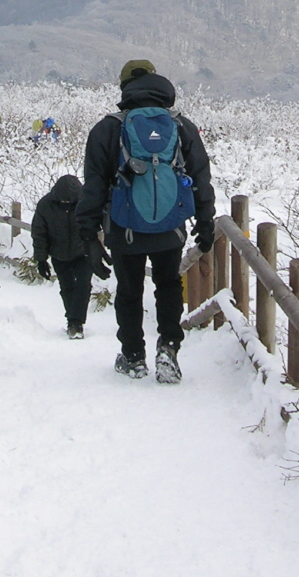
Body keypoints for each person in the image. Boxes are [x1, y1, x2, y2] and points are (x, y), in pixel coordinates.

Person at [76, 59, 215, 384]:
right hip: (170, 227)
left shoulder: (108, 128)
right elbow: (200, 177)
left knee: (129, 291)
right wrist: (205, 220)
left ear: (125, 86)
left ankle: (133, 357)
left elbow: (93, 187)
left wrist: (88, 235)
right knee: (168, 286)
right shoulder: (181, 125)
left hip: (125, 229)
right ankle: (168, 349)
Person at [33, 173, 105, 339]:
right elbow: (39, 233)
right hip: (59, 253)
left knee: (83, 285)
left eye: (69, 202)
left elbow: (98, 222)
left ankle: (76, 323)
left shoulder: (87, 203)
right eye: (63, 202)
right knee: (66, 287)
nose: (66, 204)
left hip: (83, 252)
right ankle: (72, 318)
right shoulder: (45, 205)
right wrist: (41, 259)